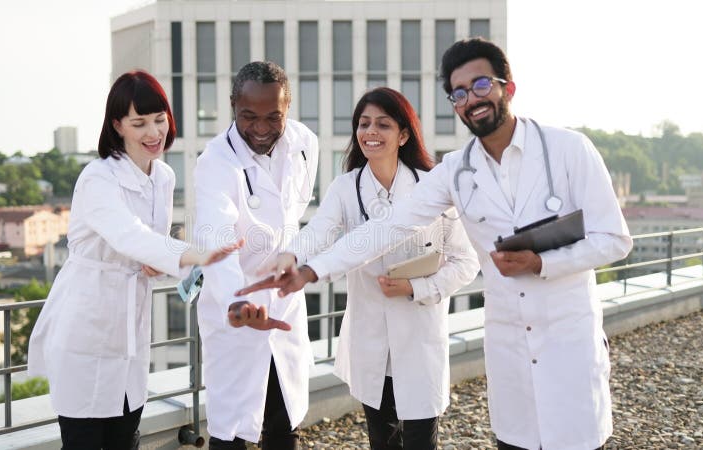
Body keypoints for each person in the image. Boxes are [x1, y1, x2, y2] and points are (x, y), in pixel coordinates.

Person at [239, 38, 633, 450]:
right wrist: (306, 268)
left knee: (576, 441)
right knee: (512, 442)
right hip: (508, 343)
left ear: (508, 87)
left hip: (566, 337)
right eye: (459, 93)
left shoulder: (569, 149)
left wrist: (539, 263)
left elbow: (614, 240)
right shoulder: (456, 172)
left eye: (481, 86)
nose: (471, 100)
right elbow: (386, 228)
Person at [27, 70, 242, 450]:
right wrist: (194, 254)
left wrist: (156, 263)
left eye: (159, 120)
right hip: (86, 325)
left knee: (126, 438)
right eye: (139, 123)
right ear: (117, 126)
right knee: (83, 442)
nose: (153, 132)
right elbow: (132, 236)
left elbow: (150, 246)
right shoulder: (98, 178)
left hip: (132, 330)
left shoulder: (163, 176)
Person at [259, 87, 480, 450]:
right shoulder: (347, 188)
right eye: (364, 124)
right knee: (382, 440)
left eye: (383, 124)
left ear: (404, 134)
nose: (370, 132)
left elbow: (466, 261)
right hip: (370, 337)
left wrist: (417, 288)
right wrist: (293, 255)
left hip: (419, 334)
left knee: (422, 441)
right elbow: (319, 231)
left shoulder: (432, 188)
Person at [192, 61, 319, 450]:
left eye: (272, 117)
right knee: (231, 430)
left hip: (283, 303)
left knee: (284, 422)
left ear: (288, 106)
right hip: (235, 306)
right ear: (233, 105)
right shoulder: (215, 162)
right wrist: (240, 301)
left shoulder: (304, 144)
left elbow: (295, 216)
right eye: (249, 116)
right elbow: (216, 238)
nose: (261, 128)